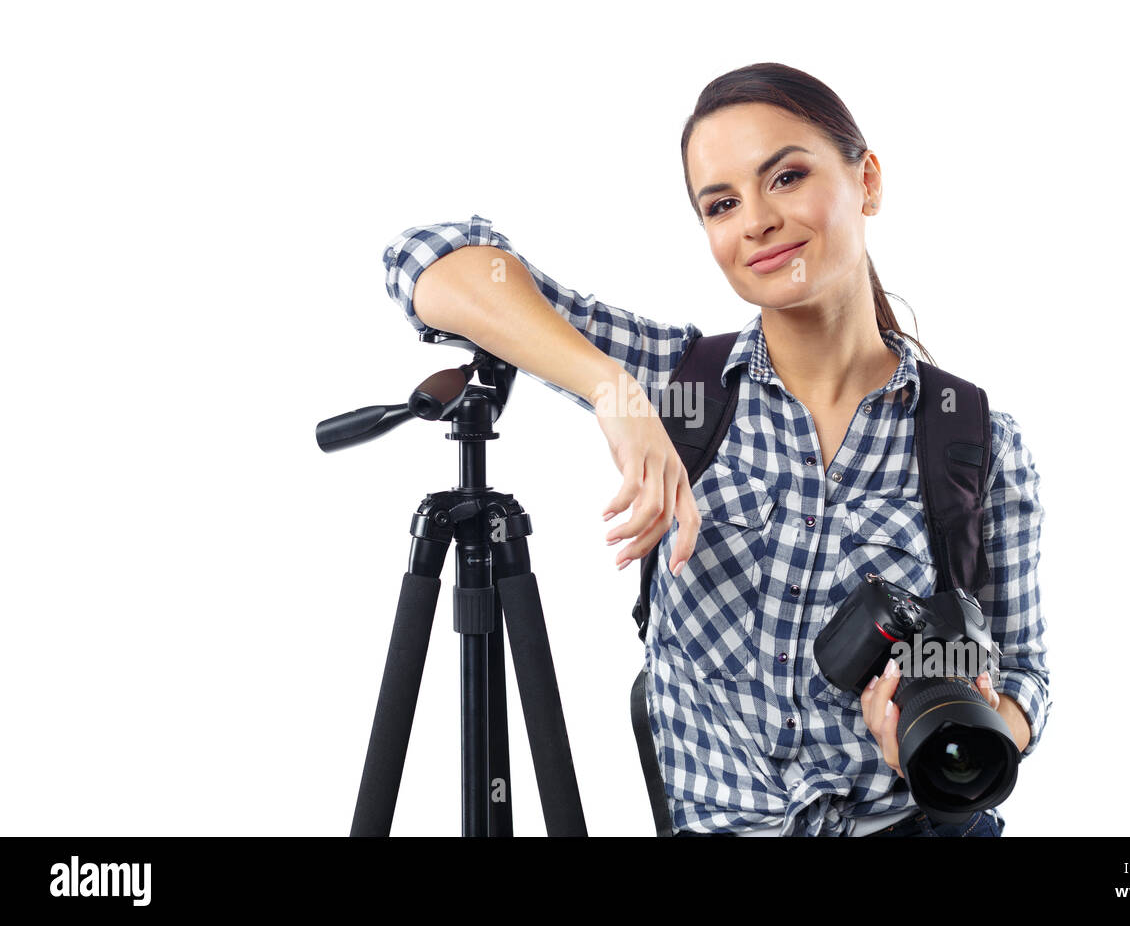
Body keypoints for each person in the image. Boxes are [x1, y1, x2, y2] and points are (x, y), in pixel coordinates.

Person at [381, 62, 1050, 837]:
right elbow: (424, 259)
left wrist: (951, 722)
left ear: (866, 180)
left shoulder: (972, 439)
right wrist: (612, 390)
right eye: (722, 204)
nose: (757, 222)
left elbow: (1024, 674)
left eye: (787, 176)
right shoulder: (680, 386)